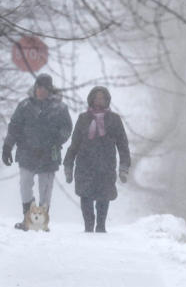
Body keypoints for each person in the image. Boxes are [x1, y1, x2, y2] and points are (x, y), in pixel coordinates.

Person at [2, 73, 73, 230]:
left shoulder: (60, 108)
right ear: (35, 88)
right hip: (27, 152)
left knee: (45, 189)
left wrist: (56, 140)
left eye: (44, 88)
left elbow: (67, 128)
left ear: (50, 90)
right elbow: (14, 127)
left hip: (49, 154)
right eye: (38, 88)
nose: (41, 91)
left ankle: (42, 221)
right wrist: (7, 147)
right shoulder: (24, 106)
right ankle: (27, 218)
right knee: (25, 185)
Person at [63, 86, 131, 233]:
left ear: (107, 100)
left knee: (103, 195)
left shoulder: (114, 120)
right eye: (97, 97)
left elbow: (122, 145)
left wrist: (124, 167)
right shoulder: (83, 119)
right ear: (91, 99)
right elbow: (75, 144)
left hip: (105, 165)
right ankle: (88, 225)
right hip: (85, 165)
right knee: (85, 194)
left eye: (102, 98)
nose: (99, 100)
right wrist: (68, 165)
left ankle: (101, 225)